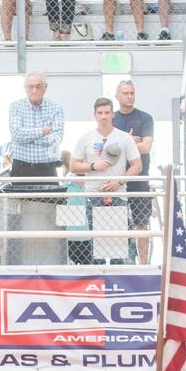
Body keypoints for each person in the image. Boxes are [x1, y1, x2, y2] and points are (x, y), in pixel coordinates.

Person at [70, 96, 141, 261]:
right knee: (96, 245)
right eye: (100, 113)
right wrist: (93, 166)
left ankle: (122, 280)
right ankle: (98, 278)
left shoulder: (124, 138)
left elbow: (137, 165)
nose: (103, 116)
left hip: (118, 196)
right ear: (94, 115)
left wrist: (119, 181)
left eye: (107, 112)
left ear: (112, 115)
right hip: (93, 195)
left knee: (120, 245)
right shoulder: (85, 138)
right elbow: (73, 165)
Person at [113, 78, 154, 261]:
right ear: (117, 95)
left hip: (139, 179)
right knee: (116, 223)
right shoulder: (111, 118)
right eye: (125, 93)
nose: (129, 96)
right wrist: (131, 141)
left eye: (132, 93)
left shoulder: (145, 118)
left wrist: (121, 143)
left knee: (142, 224)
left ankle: (144, 264)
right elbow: (105, 150)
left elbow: (146, 148)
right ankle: (120, 262)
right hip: (116, 179)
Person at [8, 71, 65, 179]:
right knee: (20, 197)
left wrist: (28, 137)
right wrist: (43, 131)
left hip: (48, 169)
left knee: (51, 197)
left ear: (45, 87)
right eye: (30, 87)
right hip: (21, 168)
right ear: (25, 88)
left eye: (38, 86)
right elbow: (17, 135)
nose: (34, 90)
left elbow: (57, 138)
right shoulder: (16, 107)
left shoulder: (56, 108)